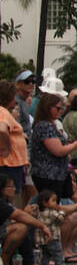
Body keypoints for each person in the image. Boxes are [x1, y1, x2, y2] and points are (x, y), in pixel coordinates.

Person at [29, 92, 77, 201]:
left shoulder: (51, 124)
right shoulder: (44, 126)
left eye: (61, 108)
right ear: (47, 108)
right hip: (48, 175)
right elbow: (59, 151)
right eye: (57, 108)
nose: (60, 111)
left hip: (58, 174)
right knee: (51, 206)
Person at [0, 80, 32, 209]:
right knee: (9, 202)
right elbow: (2, 129)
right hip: (8, 165)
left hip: (12, 164)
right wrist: (5, 147)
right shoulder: (3, 112)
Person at [32, 189, 69, 265]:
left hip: (42, 238)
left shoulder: (40, 212)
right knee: (57, 252)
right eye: (53, 201)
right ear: (45, 203)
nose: (55, 203)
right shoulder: (51, 212)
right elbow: (60, 219)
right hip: (53, 237)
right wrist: (62, 212)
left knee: (46, 254)